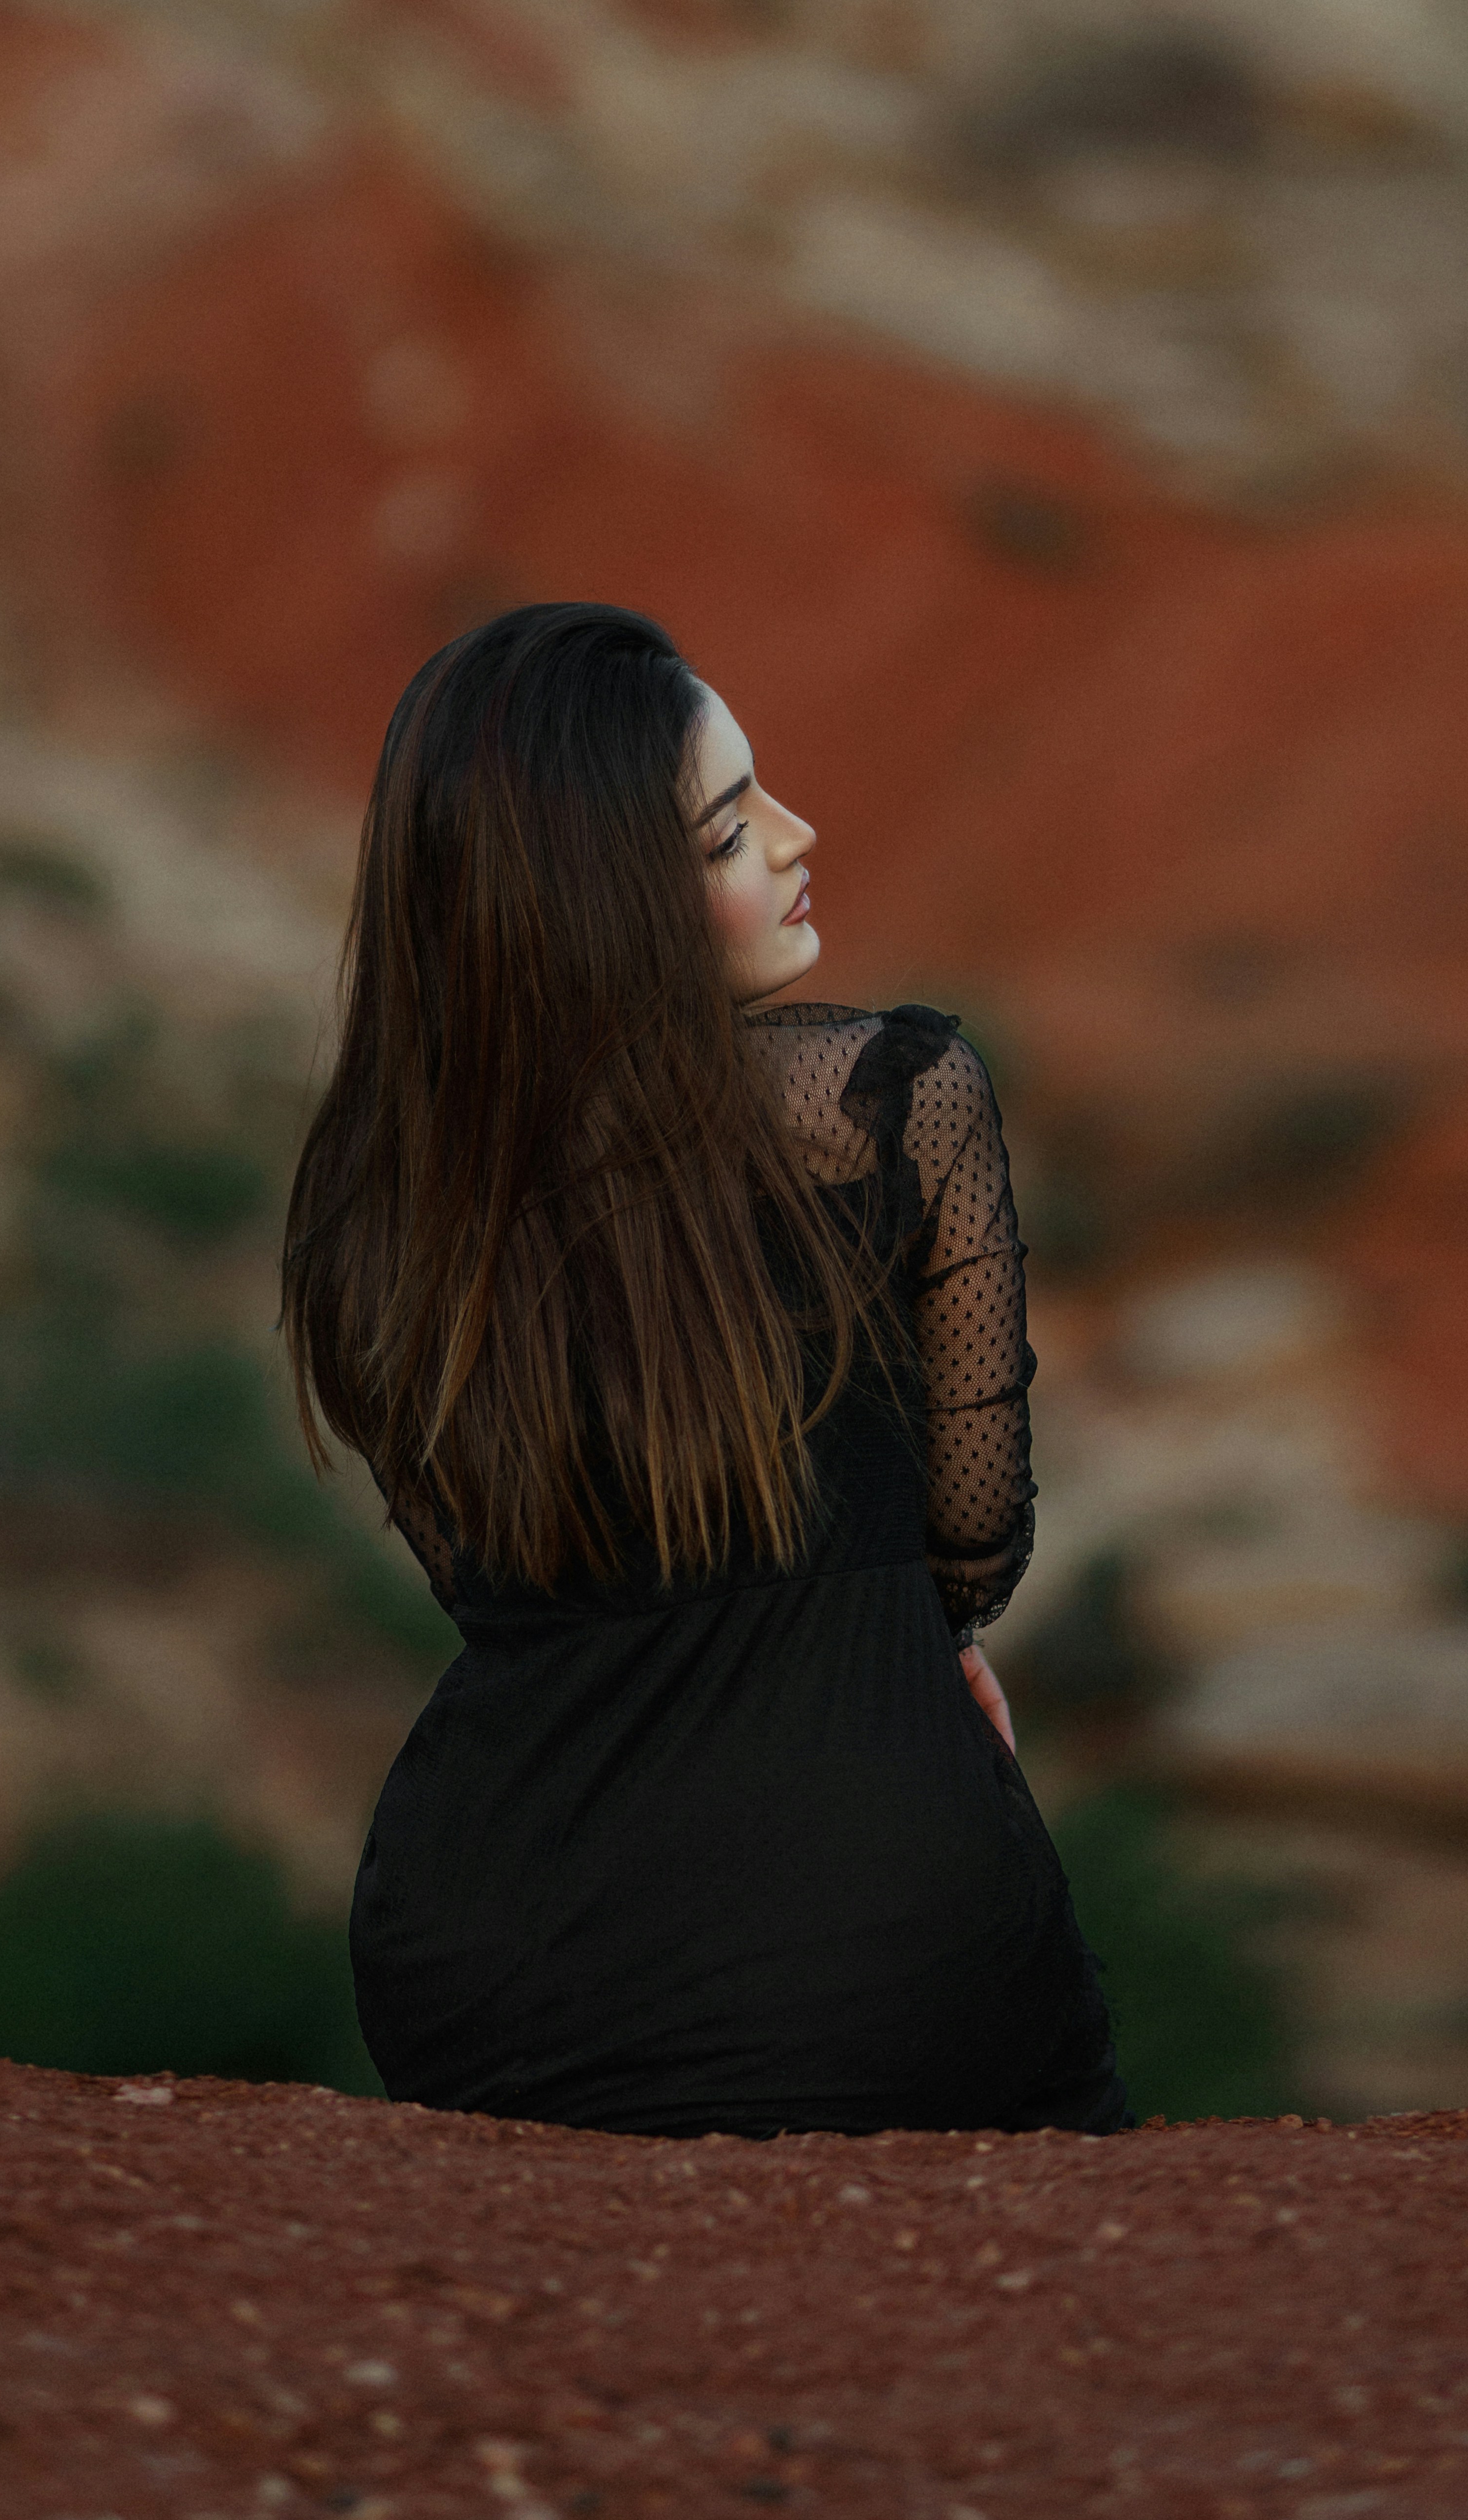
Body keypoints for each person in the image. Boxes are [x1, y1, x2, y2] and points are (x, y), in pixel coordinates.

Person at [281, 601, 1129, 2138]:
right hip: (881, 1937)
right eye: (734, 829)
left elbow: (530, 1573)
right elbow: (971, 1546)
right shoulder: (890, 1100)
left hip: (494, 1965)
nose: (800, 835)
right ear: (614, 905)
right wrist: (888, 1647)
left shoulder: (374, 1206)